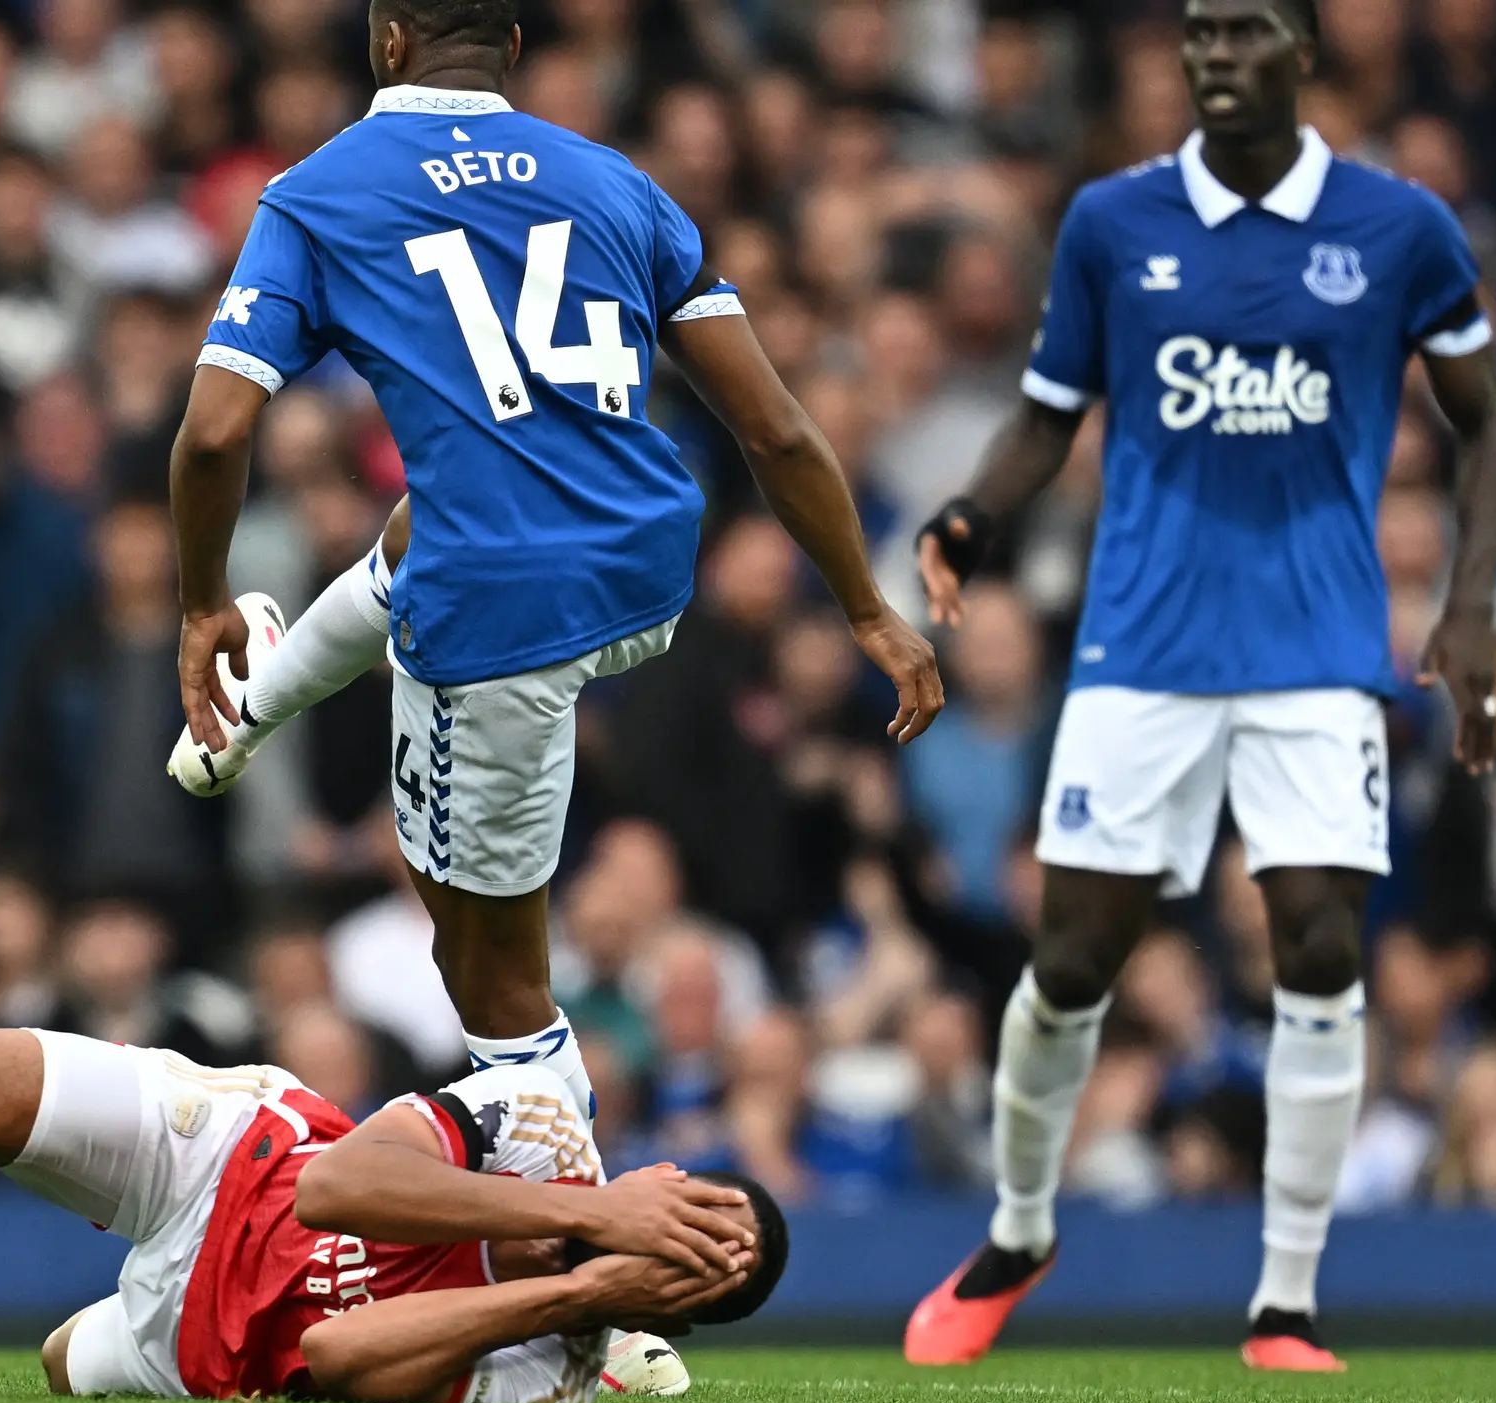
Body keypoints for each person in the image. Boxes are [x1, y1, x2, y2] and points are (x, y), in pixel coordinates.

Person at [163, 0, 941, 1125]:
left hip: (497, 618)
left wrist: (199, 605)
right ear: (511, 52)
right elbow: (772, 426)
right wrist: (866, 606)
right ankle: (257, 703)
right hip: (646, 563)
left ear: (387, 45)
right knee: (430, 509)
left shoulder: (316, 193)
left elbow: (213, 433)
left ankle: (587, 1268)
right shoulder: (616, 181)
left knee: (484, 968)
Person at [899, 0, 1496, 1374]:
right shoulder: (1112, 223)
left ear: (1304, 53)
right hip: (1143, 646)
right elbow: (1048, 414)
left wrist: (1466, 610)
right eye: (1197, 32)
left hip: (1314, 650)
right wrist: (967, 517)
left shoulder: (1395, 227)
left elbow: (1486, 433)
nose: (1212, 55)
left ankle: (1283, 1302)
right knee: (1068, 964)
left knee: (1314, 945)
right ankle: (1014, 1230)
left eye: (1245, 31)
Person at [0, 995, 791, 1403]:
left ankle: (112, 1313)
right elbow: (339, 1184)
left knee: (56, 1369)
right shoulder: (549, 1132)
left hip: (211, 1340)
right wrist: (593, 1222)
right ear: (668, 1178)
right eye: (691, 1205)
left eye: (691, 1260)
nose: (670, 1221)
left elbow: (332, 1359)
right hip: (223, 1151)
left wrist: (572, 1294)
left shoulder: (547, 1371)